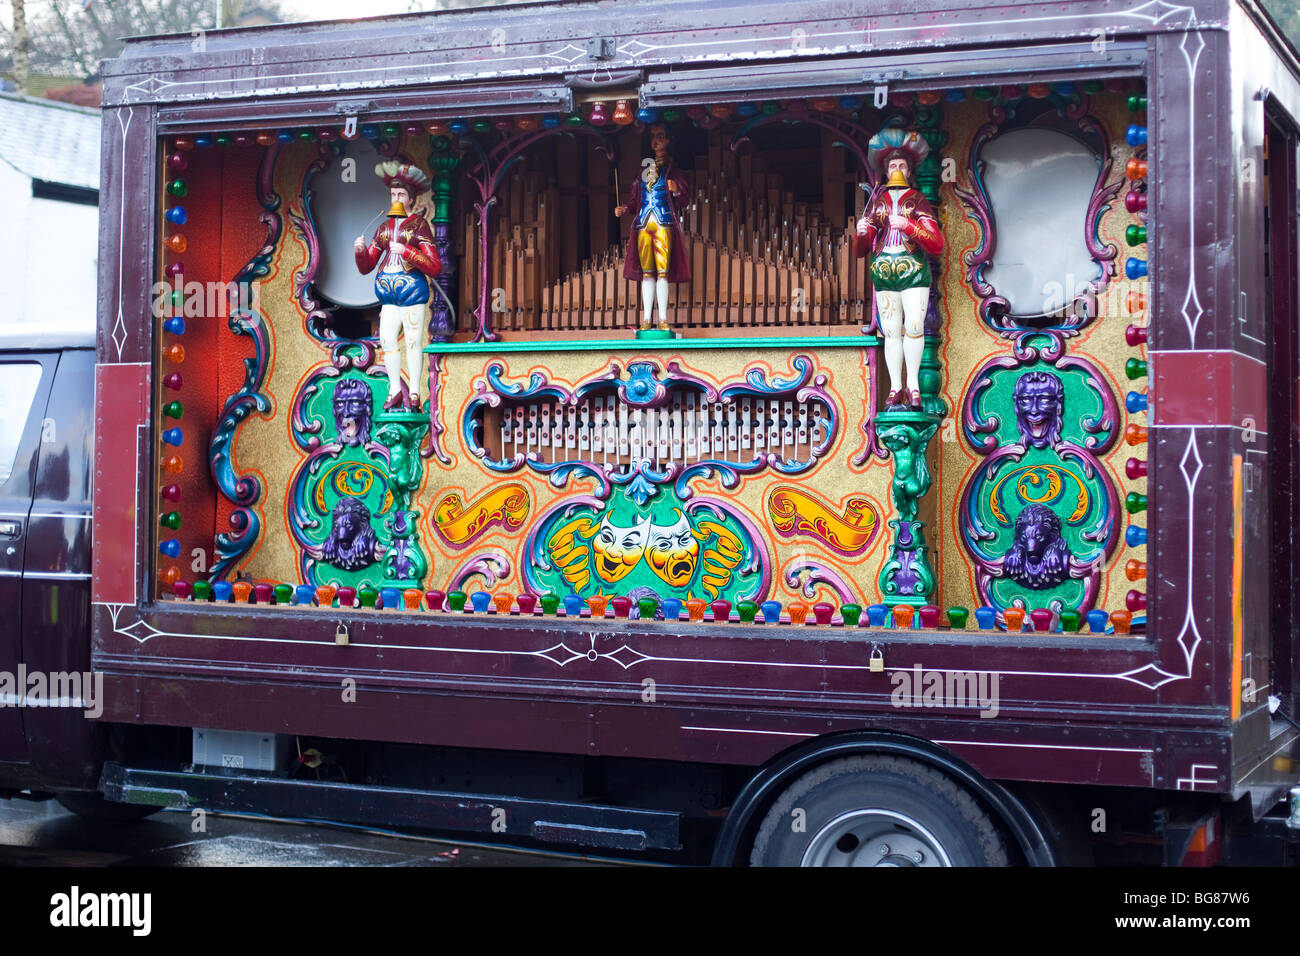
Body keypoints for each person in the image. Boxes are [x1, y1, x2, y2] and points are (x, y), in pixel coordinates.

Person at [854, 128, 944, 409]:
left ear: (909, 169)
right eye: (892, 165)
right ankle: (895, 388)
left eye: (901, 165)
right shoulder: (878, 201)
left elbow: (936, 243)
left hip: (914, 270)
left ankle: (914, 386)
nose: (897, 168)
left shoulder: (918, 200)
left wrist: (910, 226)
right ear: (885, 169)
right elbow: (861, 249)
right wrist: (861, 232)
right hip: (883, 270)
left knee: (915, 327)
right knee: (891, 331)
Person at [355, 161, 441, 412]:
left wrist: (408, 251)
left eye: (401, 195)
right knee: (387, 340)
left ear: (411, 199)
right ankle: (394, 390)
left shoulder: (419, 226)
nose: (396, 199)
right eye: (393, 194)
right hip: (388, 295)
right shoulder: (383, 228)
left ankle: (414, 393)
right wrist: (360, 252)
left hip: (411, 291)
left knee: (413, 342)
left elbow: (434, 266)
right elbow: (367, 265)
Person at [615, 123, 691, 331]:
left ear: (668, 141)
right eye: (653, 137)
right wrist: (624, 208)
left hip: (663, 223)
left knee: (662, 272)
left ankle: (663, 319)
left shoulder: (674, 171)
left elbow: (684, 197)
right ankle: (647, 318)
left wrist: (676, 189)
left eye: (660, 136)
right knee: (647, 273)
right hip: (643, 223)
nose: (656, 141)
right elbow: (634, 200)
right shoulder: (643, 171)